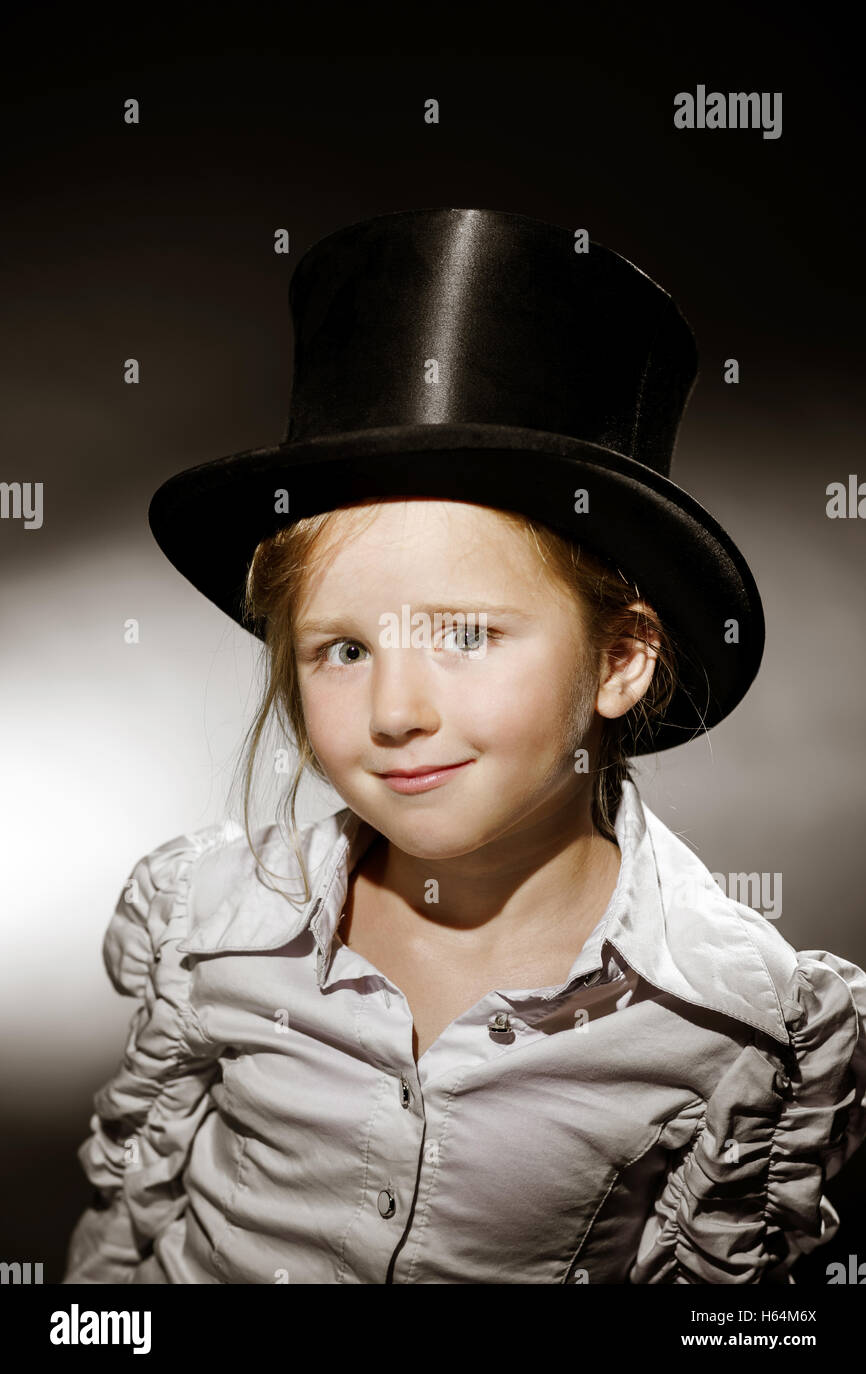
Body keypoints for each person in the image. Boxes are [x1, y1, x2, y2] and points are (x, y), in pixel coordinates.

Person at [62, 208, 866, 1284]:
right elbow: (126, 1228)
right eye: (341, 648)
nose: (395, 709)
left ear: (620, 661)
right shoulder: (209, 926)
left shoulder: (736, 1026)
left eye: (466, 635)